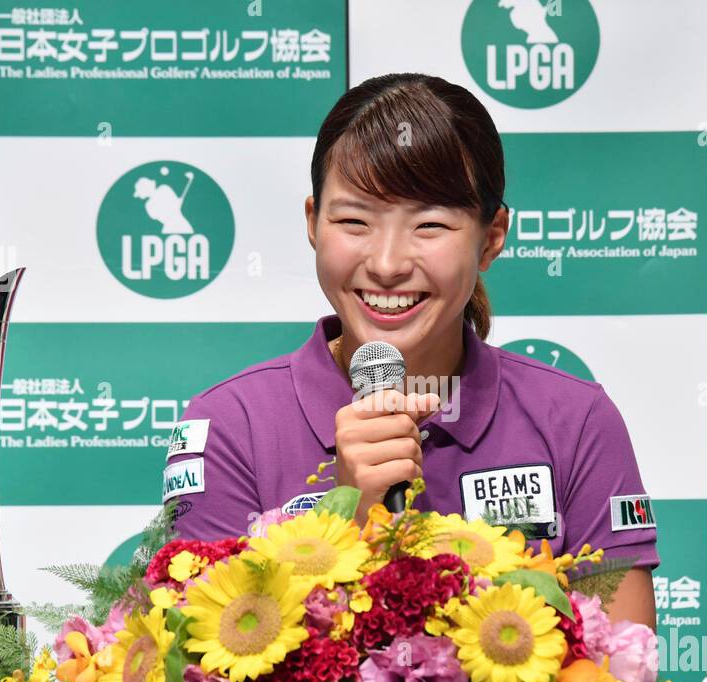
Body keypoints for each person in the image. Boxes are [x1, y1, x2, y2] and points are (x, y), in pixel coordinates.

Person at [164, 72, 658, 629]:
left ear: (491, 236)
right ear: (312, 222)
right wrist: (344, 517)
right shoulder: (230, 426)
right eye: (354, 221)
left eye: (429, 225)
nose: (388, 263)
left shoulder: (575, 420)